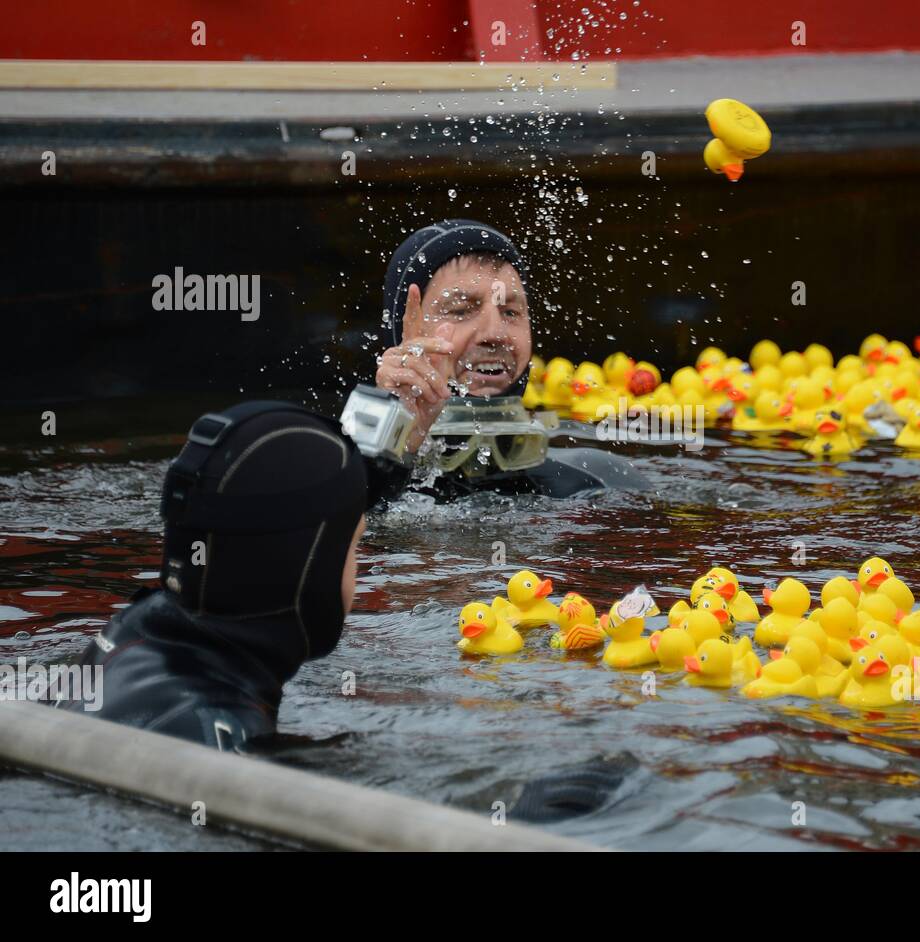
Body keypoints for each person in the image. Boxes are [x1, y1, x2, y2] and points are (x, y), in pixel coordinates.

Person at [58, 401, 369, 751]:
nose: (358, 568)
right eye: (354, 546)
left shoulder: (140, 628)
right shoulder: (218, 741)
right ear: (310, 564)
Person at [373, 219, 646, 500]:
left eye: (511, 312)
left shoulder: (598, 482)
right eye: (461, 310)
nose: (495, 334)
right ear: (402, 328)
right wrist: (395, 448)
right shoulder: (346, 473)